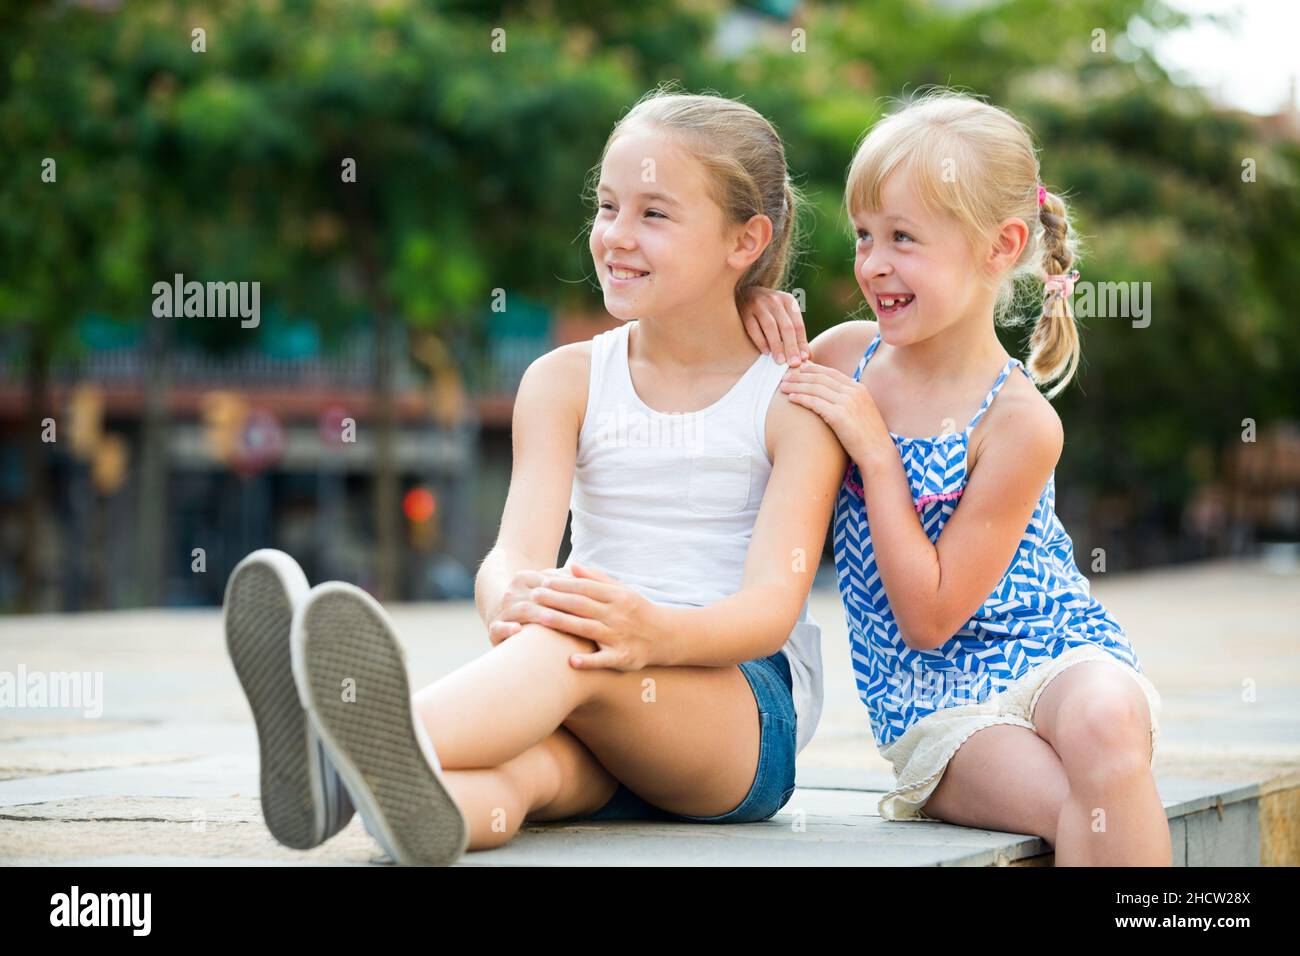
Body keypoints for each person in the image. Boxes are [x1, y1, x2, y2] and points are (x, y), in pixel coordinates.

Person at [223, 88, 844, 865]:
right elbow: (514, 553)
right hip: (592, 679)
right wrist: (510, 598)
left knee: (567, 647)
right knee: (529, 774)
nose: (617, 235)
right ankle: (392, 810)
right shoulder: (564, 381)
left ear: (744, 240)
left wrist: (647, 633)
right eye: (608, 206)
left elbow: (770, 609)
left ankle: (329, 750)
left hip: (736, 711)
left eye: (654, 214)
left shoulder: (790, 398)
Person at [741, 89, 1168, 866]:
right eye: (865, 236)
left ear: (1001, 247)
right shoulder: (844, 357)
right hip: (937, 701)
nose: (874, 264)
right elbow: (927, 638)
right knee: (1080, 807)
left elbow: (934, 604)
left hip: (1058, 650)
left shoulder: (1020, 422)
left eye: (904, 238)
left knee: (1108, 731)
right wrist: (754, 303)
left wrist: (875, 452)